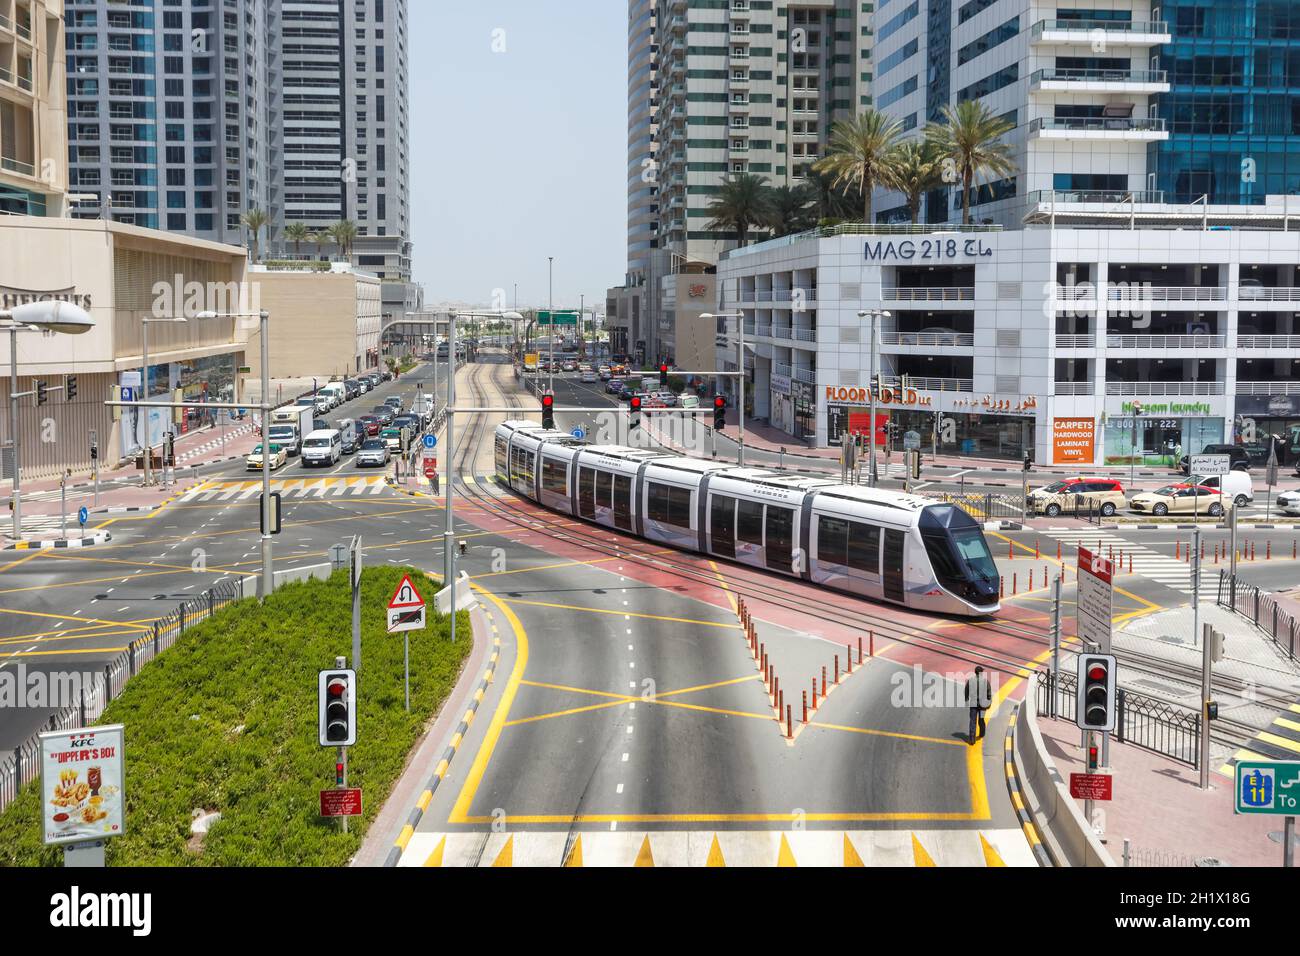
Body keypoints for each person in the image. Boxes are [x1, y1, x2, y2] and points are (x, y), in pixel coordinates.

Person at [965, 666, 992, 744]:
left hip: (973, 703)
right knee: (981, 720)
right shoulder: (985, 681)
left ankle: (972, 739)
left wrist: (966, 700)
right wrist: (989, 702)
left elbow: (966, 691)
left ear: (975, 672)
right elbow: (989, 693)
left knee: (973, 721)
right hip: (983, 704)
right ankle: (982, 733)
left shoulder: (970, 680)